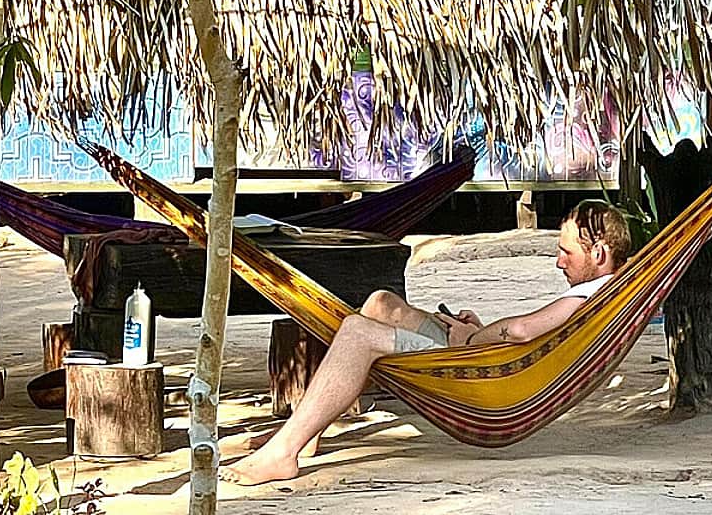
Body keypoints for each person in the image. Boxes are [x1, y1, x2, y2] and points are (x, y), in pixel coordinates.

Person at [220, 200, 633, 485]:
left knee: (357, 333)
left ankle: (284, 453)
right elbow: (528, 341)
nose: (558, 261)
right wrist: (479, 333)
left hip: (482, 381)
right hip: (493, 362)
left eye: (566, 252)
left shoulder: (589, 295)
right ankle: (310, 427)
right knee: (382, 305)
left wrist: (472, 337)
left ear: (598, 252)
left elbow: (522, 332)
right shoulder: (608, 292)